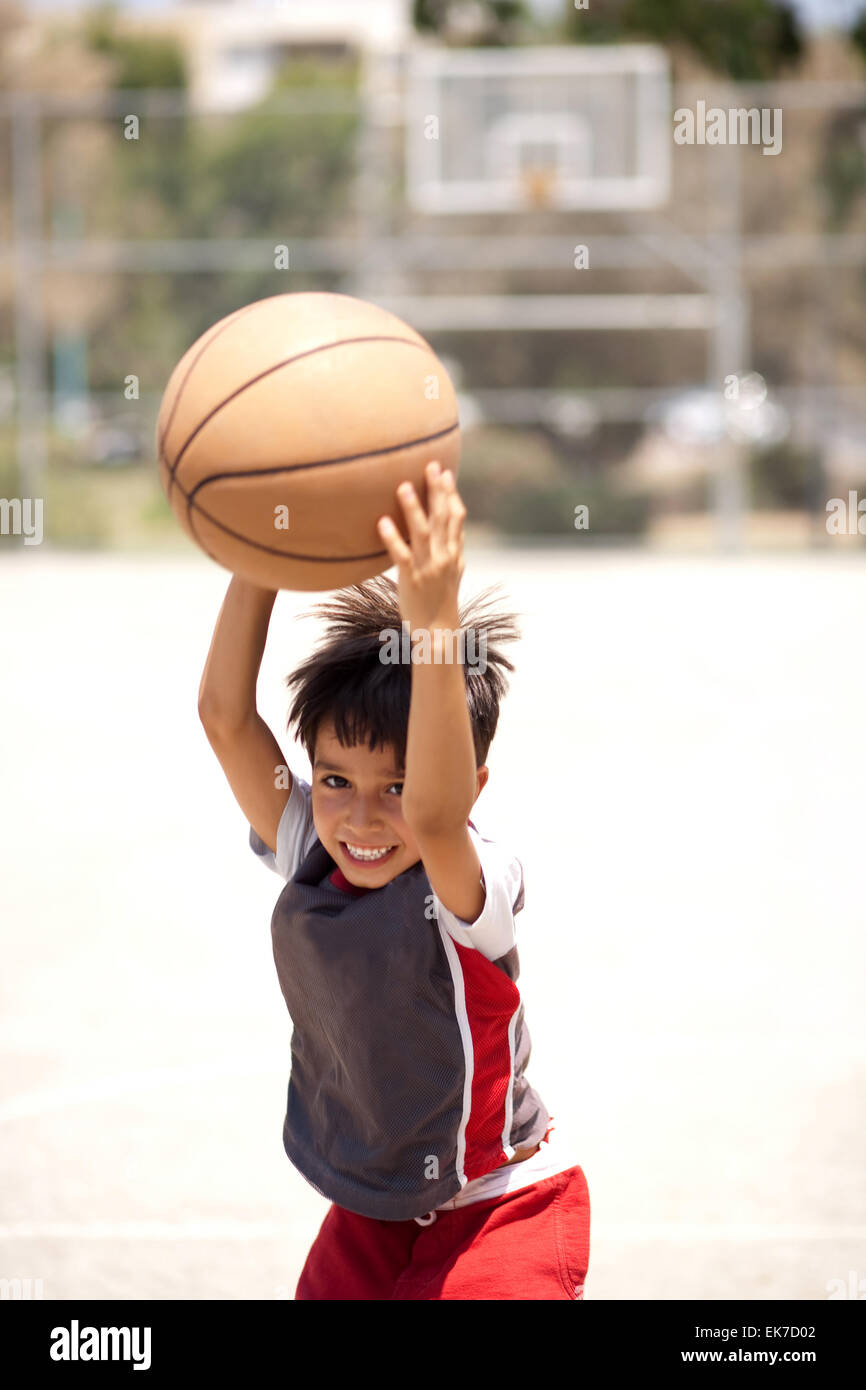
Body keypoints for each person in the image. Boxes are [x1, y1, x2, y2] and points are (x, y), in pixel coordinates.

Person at [197, 460, 590, 1300]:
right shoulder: (312, 838)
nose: (363, 817)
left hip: (504, 1204)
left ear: (463, 786)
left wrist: (437, 619)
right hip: (380, 1207)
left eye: (397, 788)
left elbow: (439, 817)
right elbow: (226, 718)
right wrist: (257, 560)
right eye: (336, 780)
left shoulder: (467, 880)